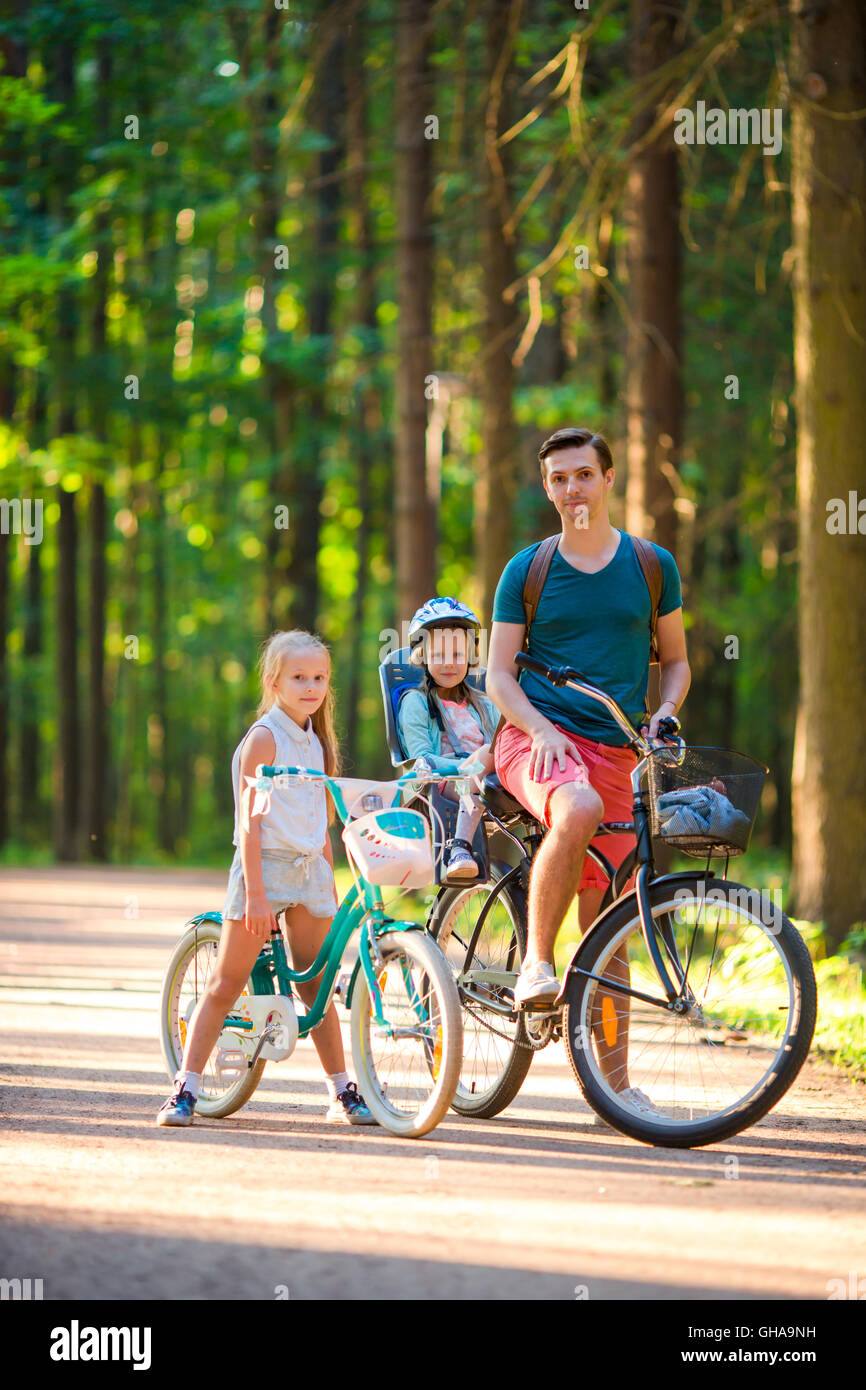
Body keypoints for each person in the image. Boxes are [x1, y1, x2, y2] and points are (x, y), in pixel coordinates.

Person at [485, 427, 691, 1109]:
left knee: (611, 921)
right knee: (573, 808)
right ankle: (538, 968)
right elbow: (497, 677)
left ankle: (616, 1088)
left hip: (618, 752)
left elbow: (678, 660)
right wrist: (539, 728)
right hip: (535, 739)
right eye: (558, 479)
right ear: (548, 489)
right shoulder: (528, 569)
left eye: (582, 475)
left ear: (607, 480)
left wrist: (664, 712)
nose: (571, 488)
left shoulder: (653, 565)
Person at [156, 629, 377, 1128]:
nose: (311, 686)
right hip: (264, 868)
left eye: (320, 677)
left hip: (307, 871)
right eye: (299, 677)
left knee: (315, 986)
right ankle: (185, 1090)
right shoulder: (265, 738)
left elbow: (320, 819)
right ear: (274, 682)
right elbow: (249, 827)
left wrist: (328, 878)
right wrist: (256, 893)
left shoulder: (317, 743)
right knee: (227, 982)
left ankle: (343, 1091)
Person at [397, 597, 499, 882]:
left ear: (470, 656)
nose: (449, 663)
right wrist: (471, 765)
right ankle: (459, 848)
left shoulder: (485, 704)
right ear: (423, 657)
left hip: (489, 776)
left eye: (457, 654)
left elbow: (501, 745)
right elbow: (422, 758)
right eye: (438, 655)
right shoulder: (416, 703)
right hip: (440, 782)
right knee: (483, 764)